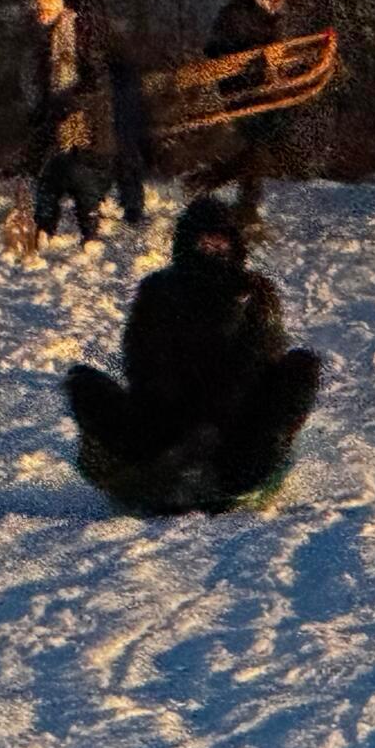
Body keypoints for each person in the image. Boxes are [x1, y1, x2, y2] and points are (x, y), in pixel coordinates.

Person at [63, 197, 322, 514]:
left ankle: (232, 477)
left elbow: (261, 358)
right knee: (82, 382)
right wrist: (175, 415)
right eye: (205, 241)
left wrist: (216, 419)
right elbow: (142, 361)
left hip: (238, 428)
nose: (213, 250)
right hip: (166, 422)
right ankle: (149, 476)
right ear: (189, 243)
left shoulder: (255, 292)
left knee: (301, 367)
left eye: (220, 241)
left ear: (234, 244)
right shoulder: (158, 290)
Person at [26, 0, 135, 243]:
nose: (40, 16)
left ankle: (89, 228)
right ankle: (44, 227)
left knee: (81, 171)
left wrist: (74, 101)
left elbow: (96, 76)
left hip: (87, 114)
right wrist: (43, 108)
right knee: (51, 170)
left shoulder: (79, 31)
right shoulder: (48, 37)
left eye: (44, 10)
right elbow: (44, 79)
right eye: (37, 11)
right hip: (60, 112)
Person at [197, 0, 300, 229]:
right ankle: (246, 208)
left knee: (268, 142)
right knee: (258, 148)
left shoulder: (272, 15)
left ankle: (213, 179)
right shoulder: (237, 14)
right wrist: (257, 58)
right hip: (239, 91)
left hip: (264, 90)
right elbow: (219, 54)